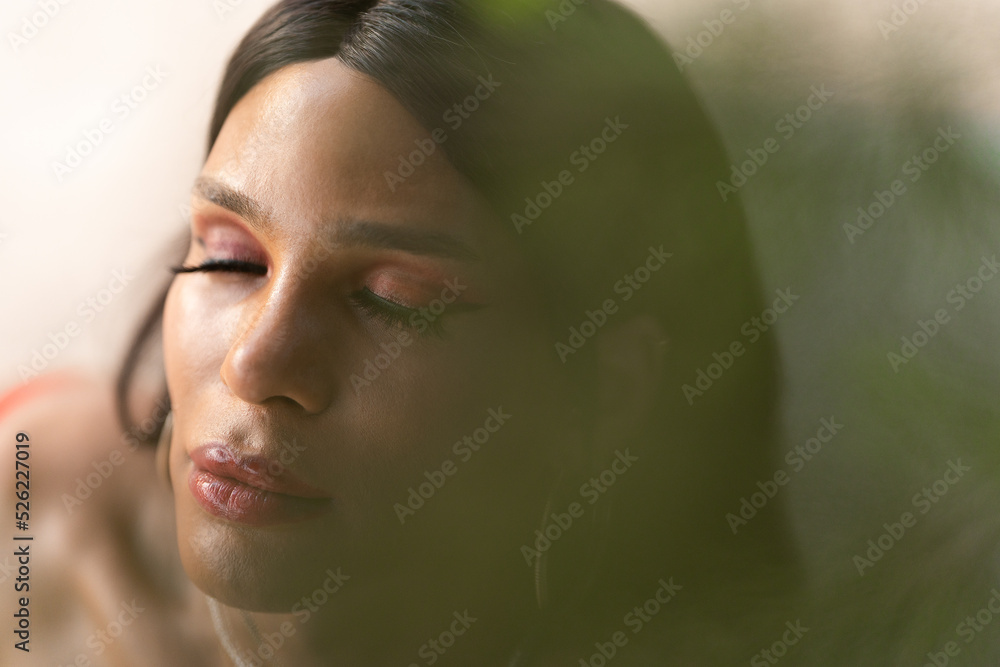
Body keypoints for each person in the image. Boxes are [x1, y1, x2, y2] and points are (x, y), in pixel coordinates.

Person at [1, 0, 796, 664]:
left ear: (610, 389)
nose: (257, 361)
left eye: (392, 301)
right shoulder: (30, 498)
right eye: (232, 260)